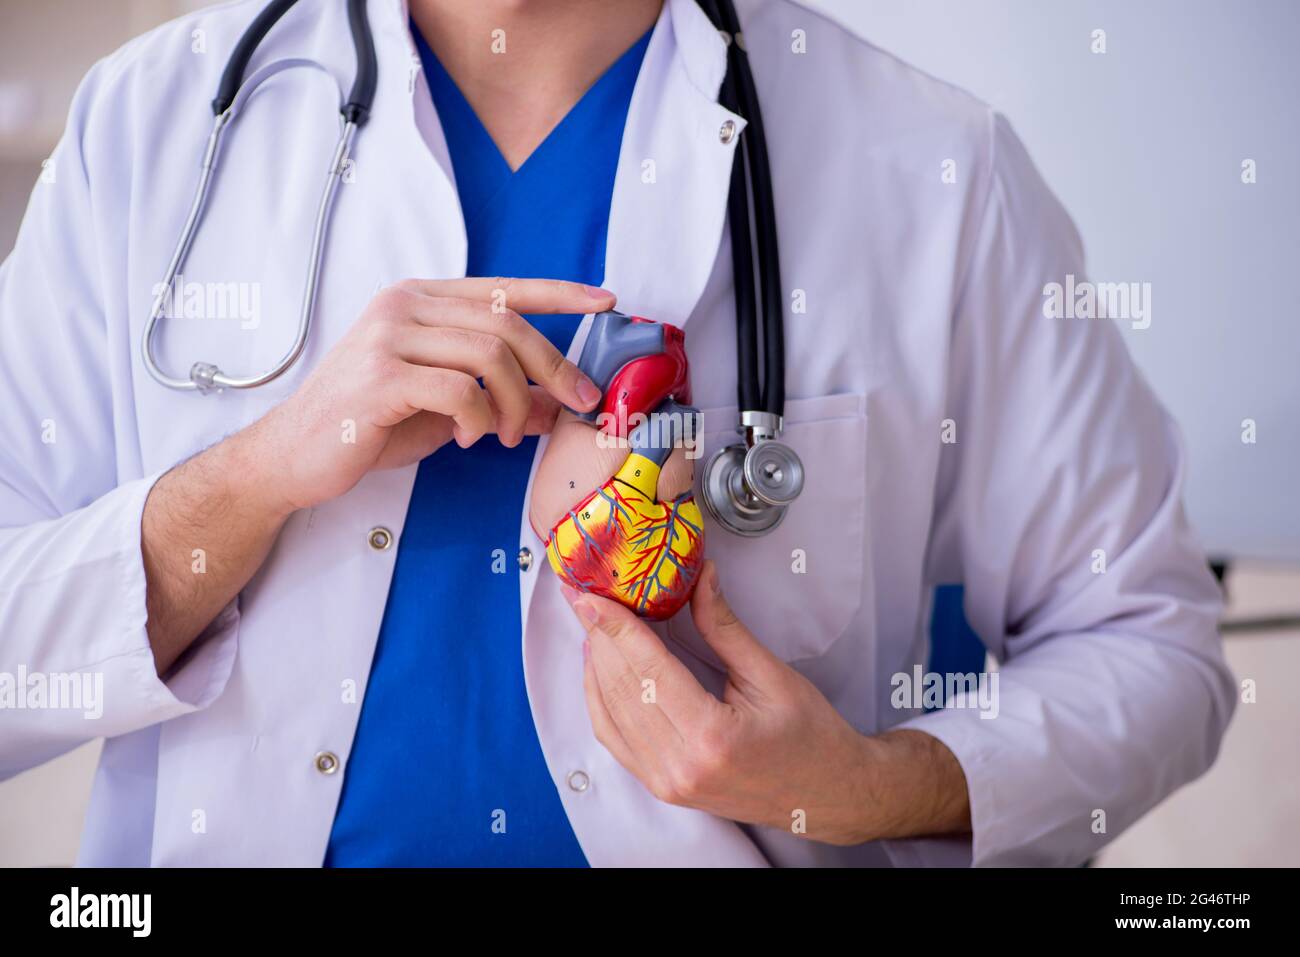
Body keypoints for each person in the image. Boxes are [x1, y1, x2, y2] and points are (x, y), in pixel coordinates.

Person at [0, 0, 1234, 867]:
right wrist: (261, 471)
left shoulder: (933, 169)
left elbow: (1151, 646)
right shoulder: (150, 130)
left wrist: (866, 789)